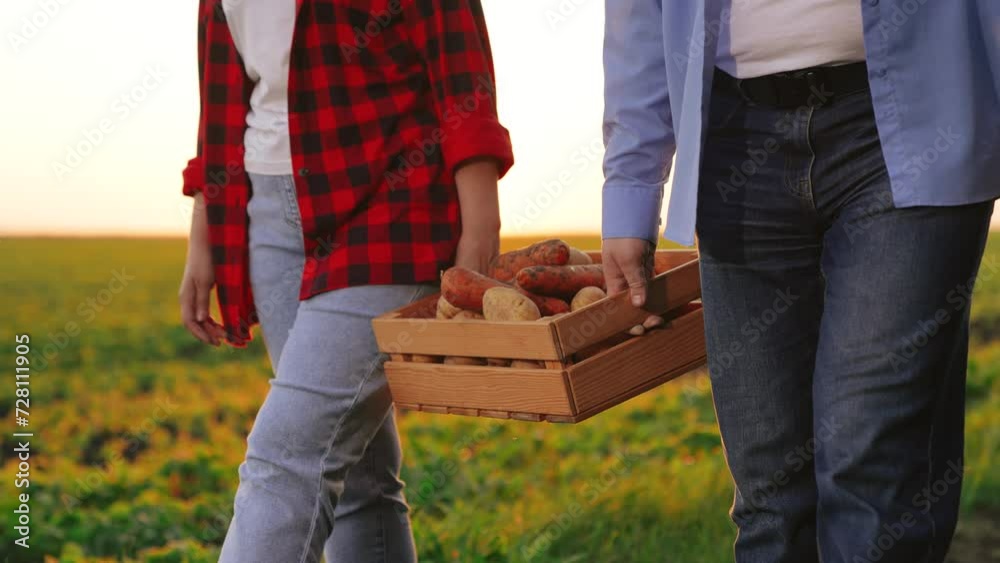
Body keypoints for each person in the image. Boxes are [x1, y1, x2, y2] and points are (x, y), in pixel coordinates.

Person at [601, 1, 999, 562]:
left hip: (915, 117)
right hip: (733, 141)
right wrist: (630, 184)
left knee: (871, 464)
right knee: (770, 493)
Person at [176, 1, 513, 561]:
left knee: (287, 458)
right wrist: (205, 224)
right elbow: (223, 89)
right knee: (358, 480)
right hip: (266, 210)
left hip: (389, 203)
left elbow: (456, 56)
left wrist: (480, 220)